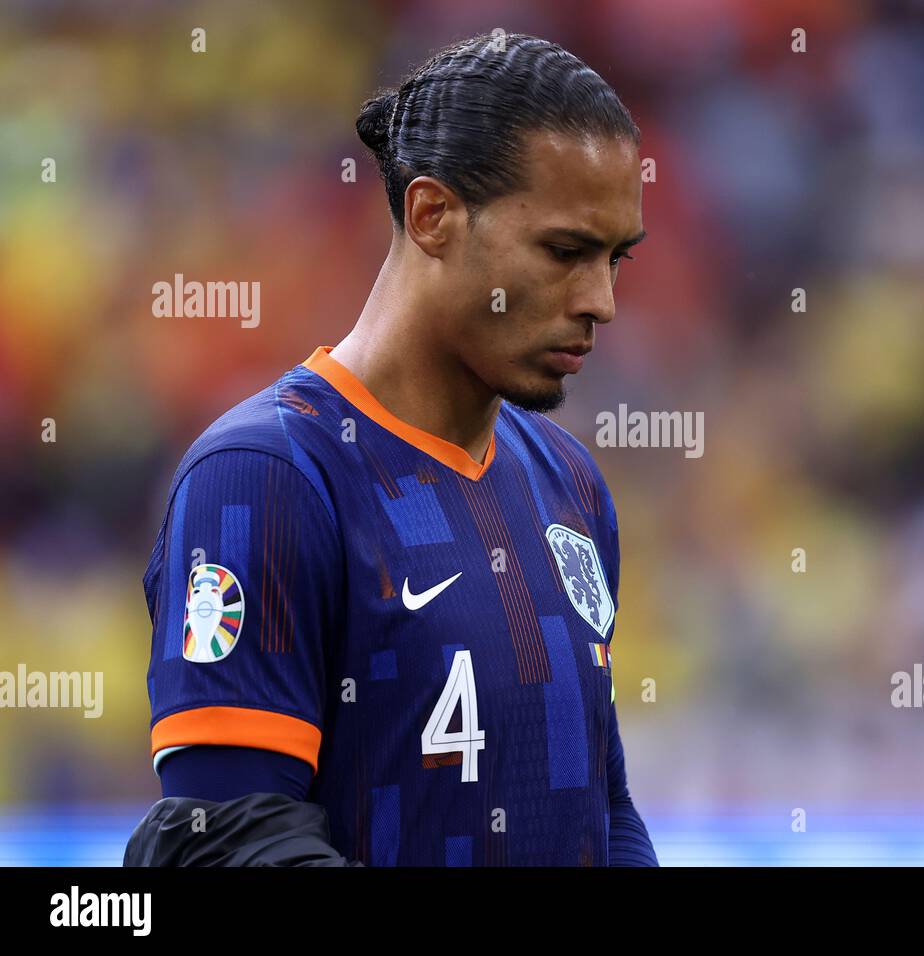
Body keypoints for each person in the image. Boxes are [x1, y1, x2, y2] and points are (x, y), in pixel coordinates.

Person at [124, 31, 656, 866]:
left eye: (616, 259)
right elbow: (228, 842)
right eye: (565, 252)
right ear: (433, 215)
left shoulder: (570, 483)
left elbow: (605, 808)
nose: (602, 300)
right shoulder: (266, 478)